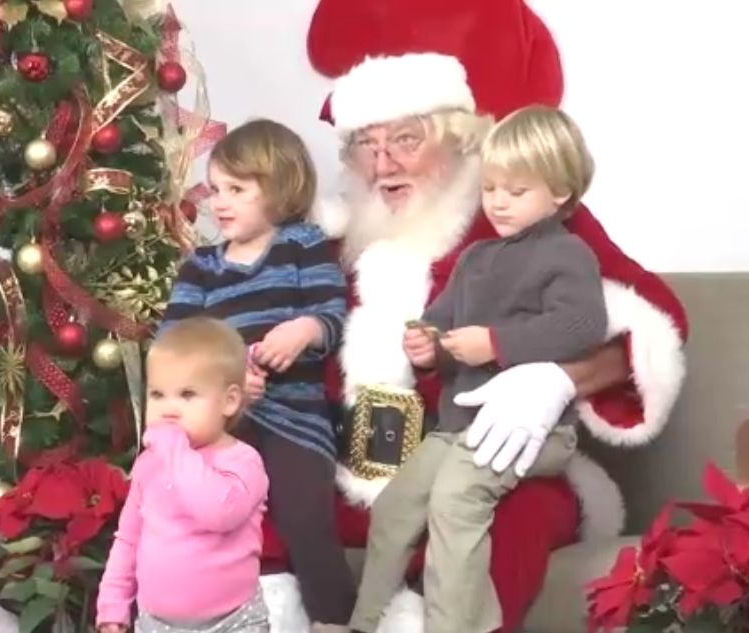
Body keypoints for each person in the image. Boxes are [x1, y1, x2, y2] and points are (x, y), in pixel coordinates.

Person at [255, 2, 690, 632]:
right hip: (357, 477)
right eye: (366, 146)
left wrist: (562, 380)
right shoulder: (337, 243)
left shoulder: (519, 220)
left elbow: (655, 318)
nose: (383, 166)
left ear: (461, 135)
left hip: (498, 459)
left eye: (406, 139)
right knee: (242, 492)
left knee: (486, 521)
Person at [350, 105, 608, 633]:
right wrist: (428, 344)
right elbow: (442, 323)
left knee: (455, 501)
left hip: (529, 432)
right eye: (491, 189)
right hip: (459, 426)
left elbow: (582, 325)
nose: (499, 203)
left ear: (559, 192)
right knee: (396, 506)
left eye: (517, 191)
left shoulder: (568, 254)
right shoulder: (477, 259)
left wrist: (495, 343)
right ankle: (364, 622)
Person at [161, 119, 357, 632]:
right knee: (187, 500)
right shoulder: (201, 267)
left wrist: (305, 328)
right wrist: (225, 378)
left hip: (296, 417)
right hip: (220, 419)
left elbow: (333, 318)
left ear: (278, 188)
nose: (219, 203)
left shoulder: (302, 246)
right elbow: (175, 347)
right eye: (216, 189)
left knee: (304, 515)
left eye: (237, 190)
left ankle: (333, 620)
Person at [96, 317, 271, 633]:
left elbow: (218, 513)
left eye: (187, 394)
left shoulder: (243, 461)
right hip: (158, 623)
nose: (168, 409)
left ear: (229, 401)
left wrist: (175, 449)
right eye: (158, 395)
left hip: (233, 623)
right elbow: (128, 538)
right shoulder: (150, 464)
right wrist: (113, 605)